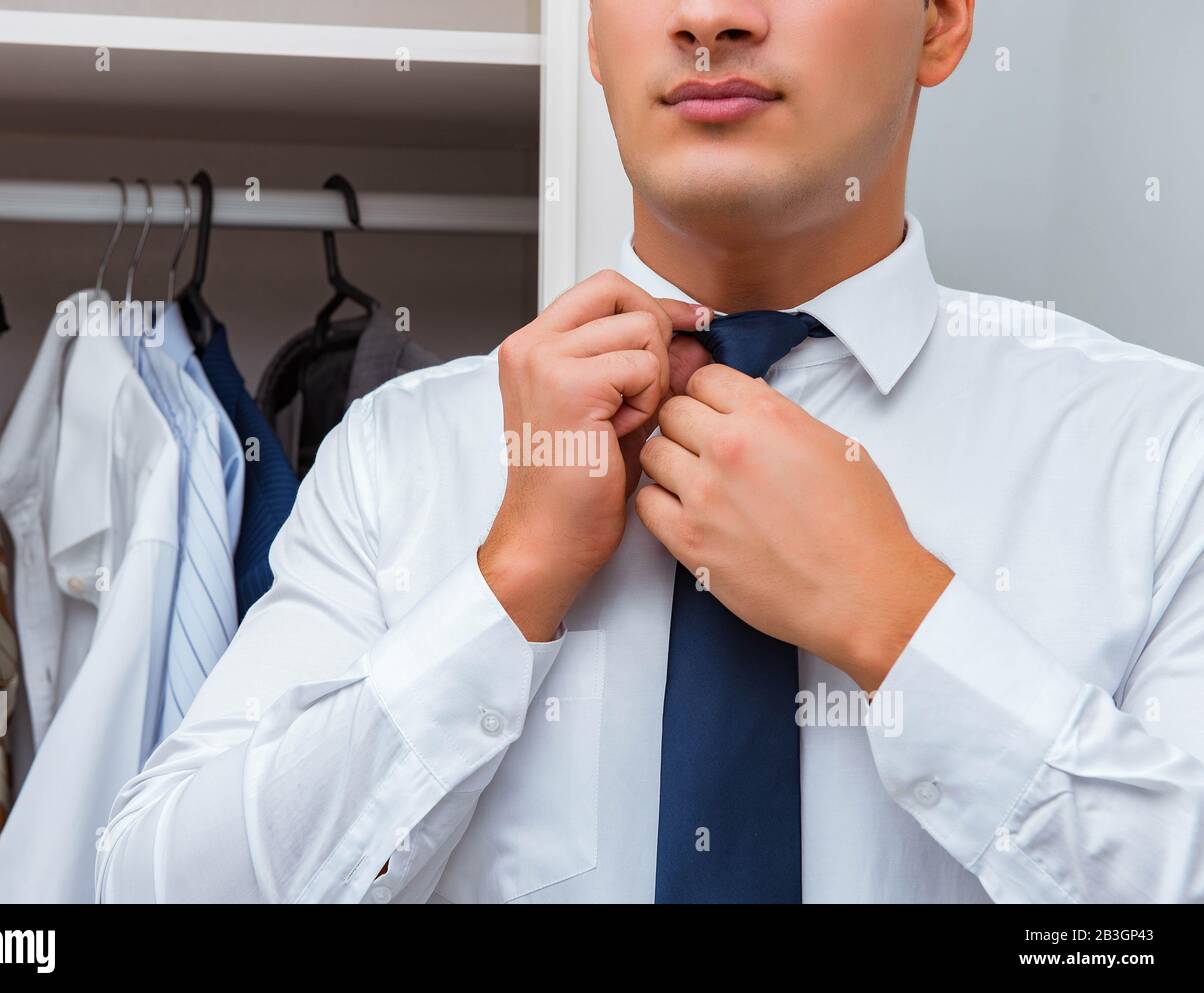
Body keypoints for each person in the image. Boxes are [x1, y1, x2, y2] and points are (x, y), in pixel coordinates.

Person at [96, 0, 1204, 903]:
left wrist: (898, 624)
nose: (709, 17)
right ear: (589, 31)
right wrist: (506, 586)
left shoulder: (1162, 452)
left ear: (941, 21)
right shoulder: (402, 455)